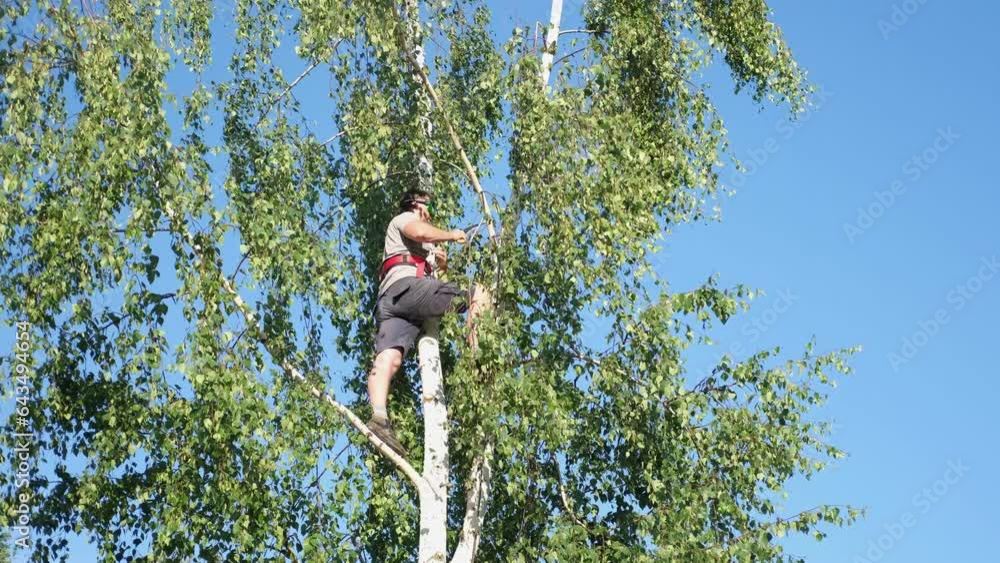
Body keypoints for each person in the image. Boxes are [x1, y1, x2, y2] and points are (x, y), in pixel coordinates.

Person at [366, 187, 491, 457]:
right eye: (427, 209)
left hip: (393, 302)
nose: (428, 214)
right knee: (478, 293)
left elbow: (433, 274)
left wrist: (441, 265)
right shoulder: (403, 220)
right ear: (416, 205)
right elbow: (421, 232)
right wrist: (452, 235)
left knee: (390, 359)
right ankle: (478, 357)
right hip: (407, 290)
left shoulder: (420, 247)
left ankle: (378, 418)